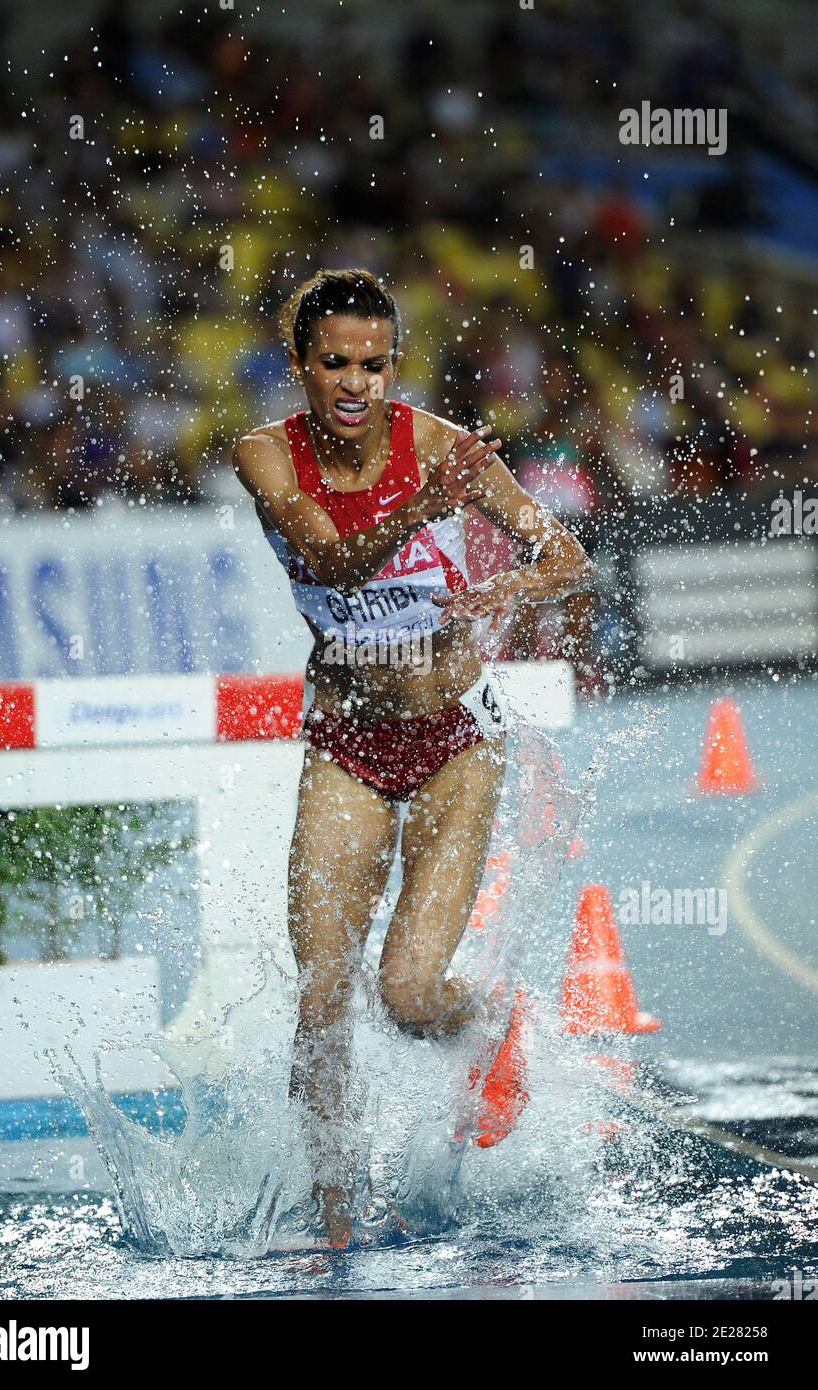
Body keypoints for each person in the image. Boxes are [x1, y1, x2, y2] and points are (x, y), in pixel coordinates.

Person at [233, 268, 592, 1245]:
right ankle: (336, 1219)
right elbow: (332, 556)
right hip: (345, 737)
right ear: (301, 366)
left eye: (376, 363)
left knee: (406, 994)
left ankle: (489, 1028)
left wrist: (503, 596)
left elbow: (568, 559)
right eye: (336, 362)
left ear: (395, 364)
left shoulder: (438, 445)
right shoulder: (263, 456)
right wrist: (421, 511)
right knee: (319, 998)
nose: (357, 382)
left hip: (453, 740)